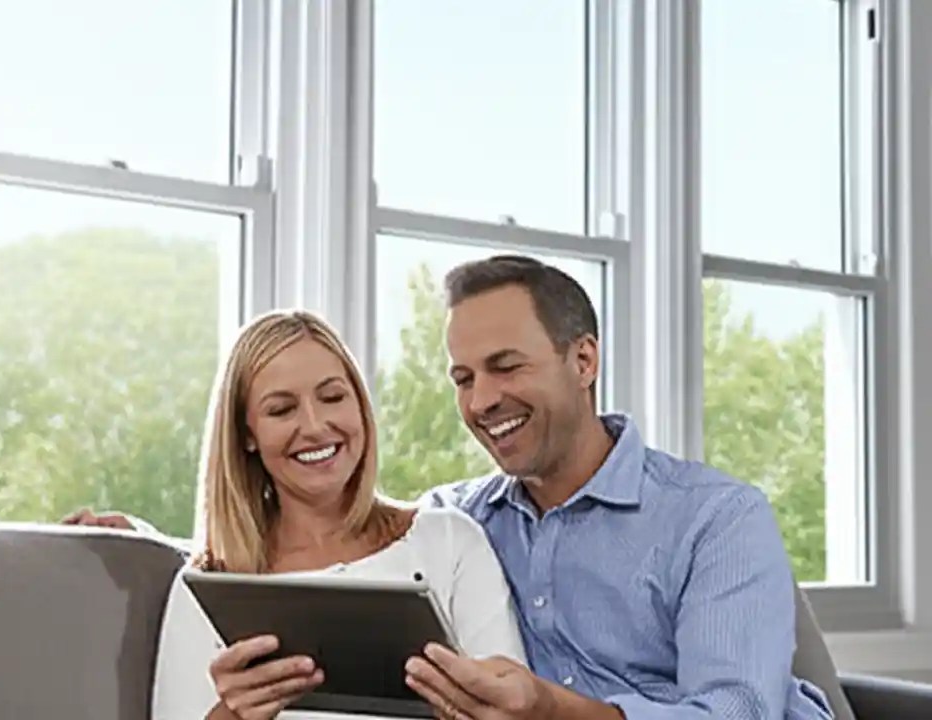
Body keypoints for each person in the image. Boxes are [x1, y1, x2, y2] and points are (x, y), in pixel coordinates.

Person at [69, 256, 835, 719]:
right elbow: (333, 549)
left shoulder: (716, 519)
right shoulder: (459, 519)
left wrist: (553, 711)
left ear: (584, 359)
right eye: (464, 378)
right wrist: (154, 544)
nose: (481, 401)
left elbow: (739, 712)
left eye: (507, 367)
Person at [141, 309, 528, 720]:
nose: (314, 426)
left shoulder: (449, 541)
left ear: (360, 406)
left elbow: (514, 710)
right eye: (281, 410)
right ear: (247, 435)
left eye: (332, 397)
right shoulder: (207, 584)